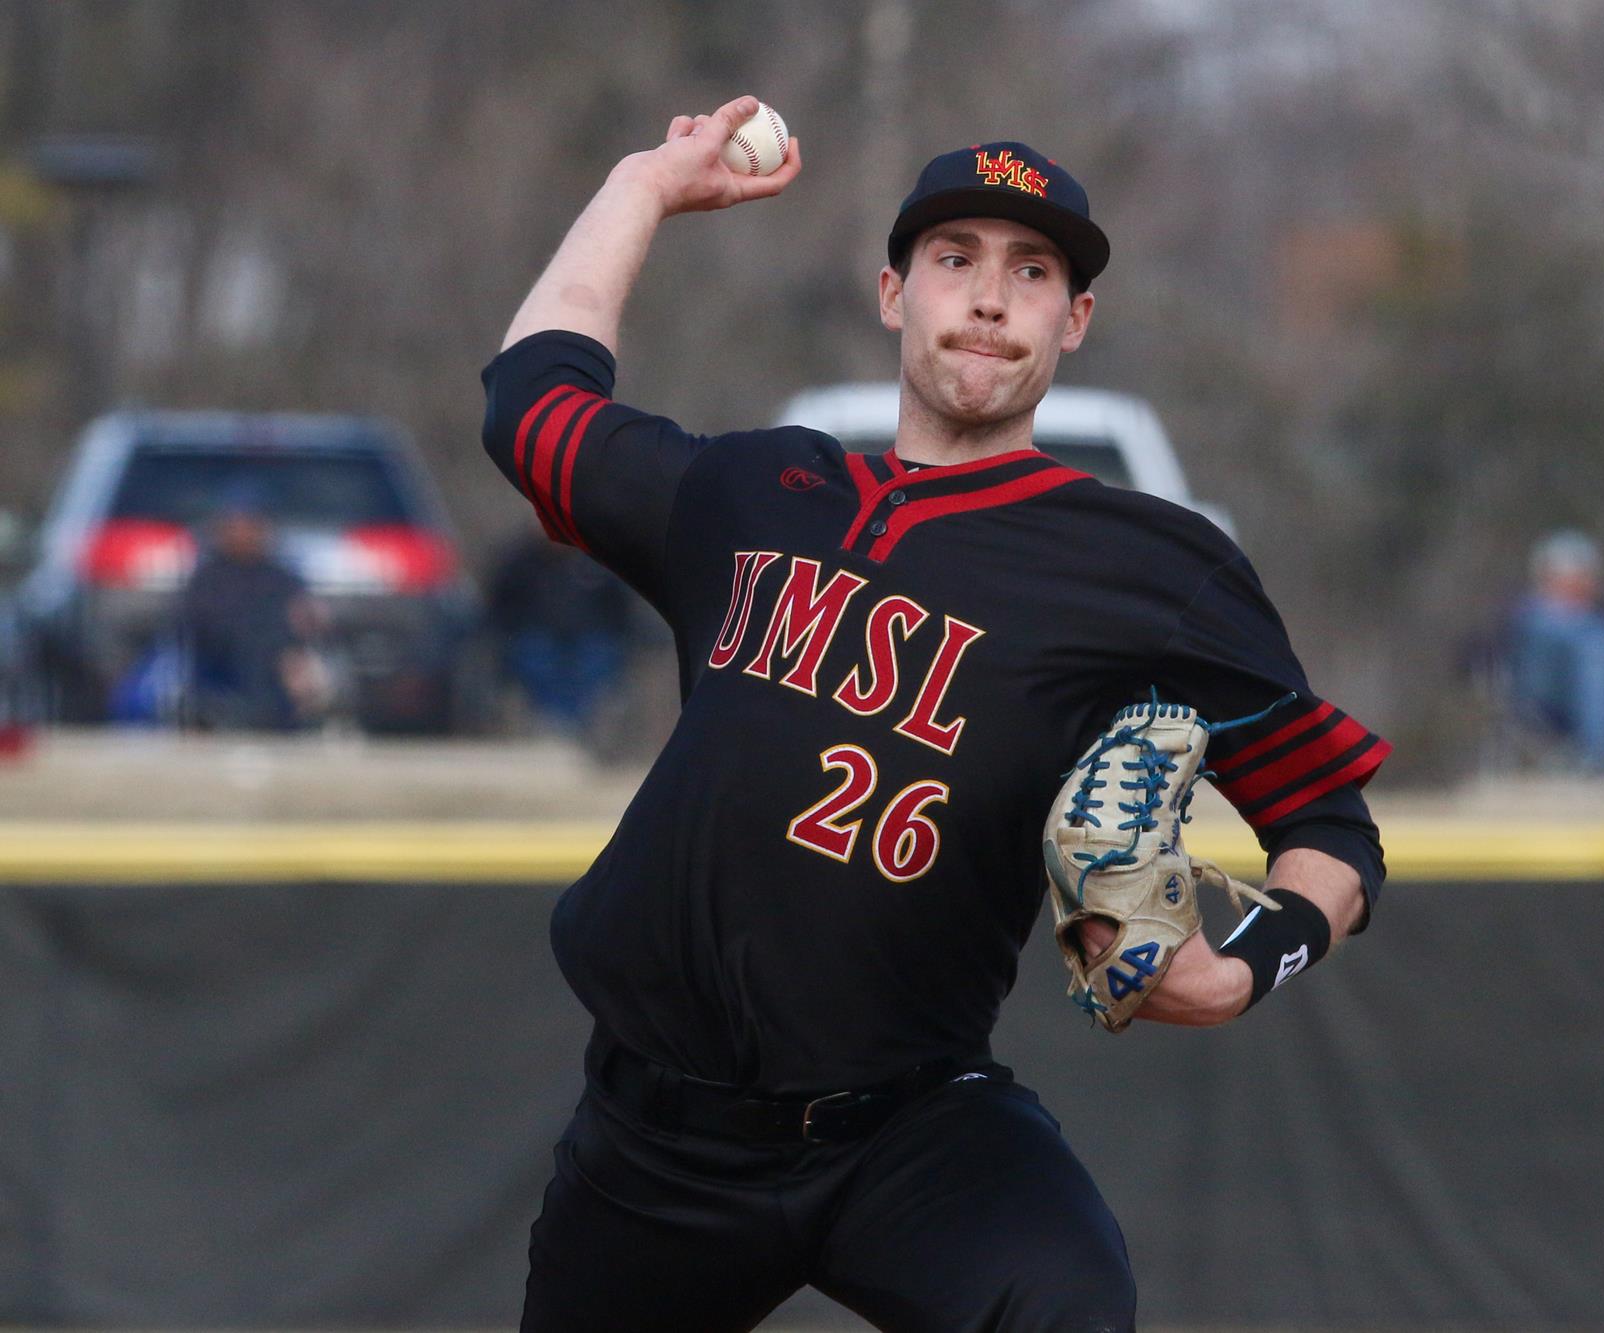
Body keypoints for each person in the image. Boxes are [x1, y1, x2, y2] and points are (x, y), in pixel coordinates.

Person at [482, 97, 1390, 1331]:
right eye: (953, 258)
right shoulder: (757, 491)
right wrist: (640, 187)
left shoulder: (1150, 568)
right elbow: (532, 402)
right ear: (892, 292)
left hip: (910, 1128)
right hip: (654, 1142)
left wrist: (1242, 966)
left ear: (1073, 321)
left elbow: (1332, 827)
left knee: (1066, 1297)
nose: (988, 295)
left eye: (1031, 271)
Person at [177, 492, 331, 731]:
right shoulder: (208, 578)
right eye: (235, 526)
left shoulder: (281, 578)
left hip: (276, 668)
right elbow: (195, 625)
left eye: (250, 526)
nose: (243, 533)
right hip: (221, 669)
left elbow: (305, 618)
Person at [1504, 530, 1604, 774]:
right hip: (1541, 699)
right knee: (1598, 655)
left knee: (1602, 655)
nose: (1577, 584)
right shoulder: (1527, 619)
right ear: (1546, 577)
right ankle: (1601, 758)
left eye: (1584, 576)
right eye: (1567, 576)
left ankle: (1599, 756)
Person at [486, 529, 637, 733]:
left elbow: (621, 608)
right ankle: (555, 723)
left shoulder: (599, 561)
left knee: (595, 660)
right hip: (535, 636)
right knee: (536, 657)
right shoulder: (519, 561)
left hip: (591, 638)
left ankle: (579, 722)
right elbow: (500, 606)